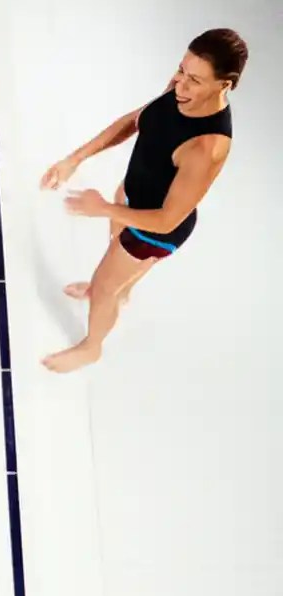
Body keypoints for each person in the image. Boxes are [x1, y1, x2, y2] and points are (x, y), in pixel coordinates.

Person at [40, 29, 246, 373]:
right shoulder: (181, 93)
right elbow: (136, 121)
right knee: (115, 257)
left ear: (224, 84)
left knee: (104, 285)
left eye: (194, 80)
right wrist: (74, 159)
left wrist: (103, 208)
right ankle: (122, 287)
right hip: (133, 198)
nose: (180, 85)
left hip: (156, 230)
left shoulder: (207, 147)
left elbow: (167, 220)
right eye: (181, 70)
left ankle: (92, 346)